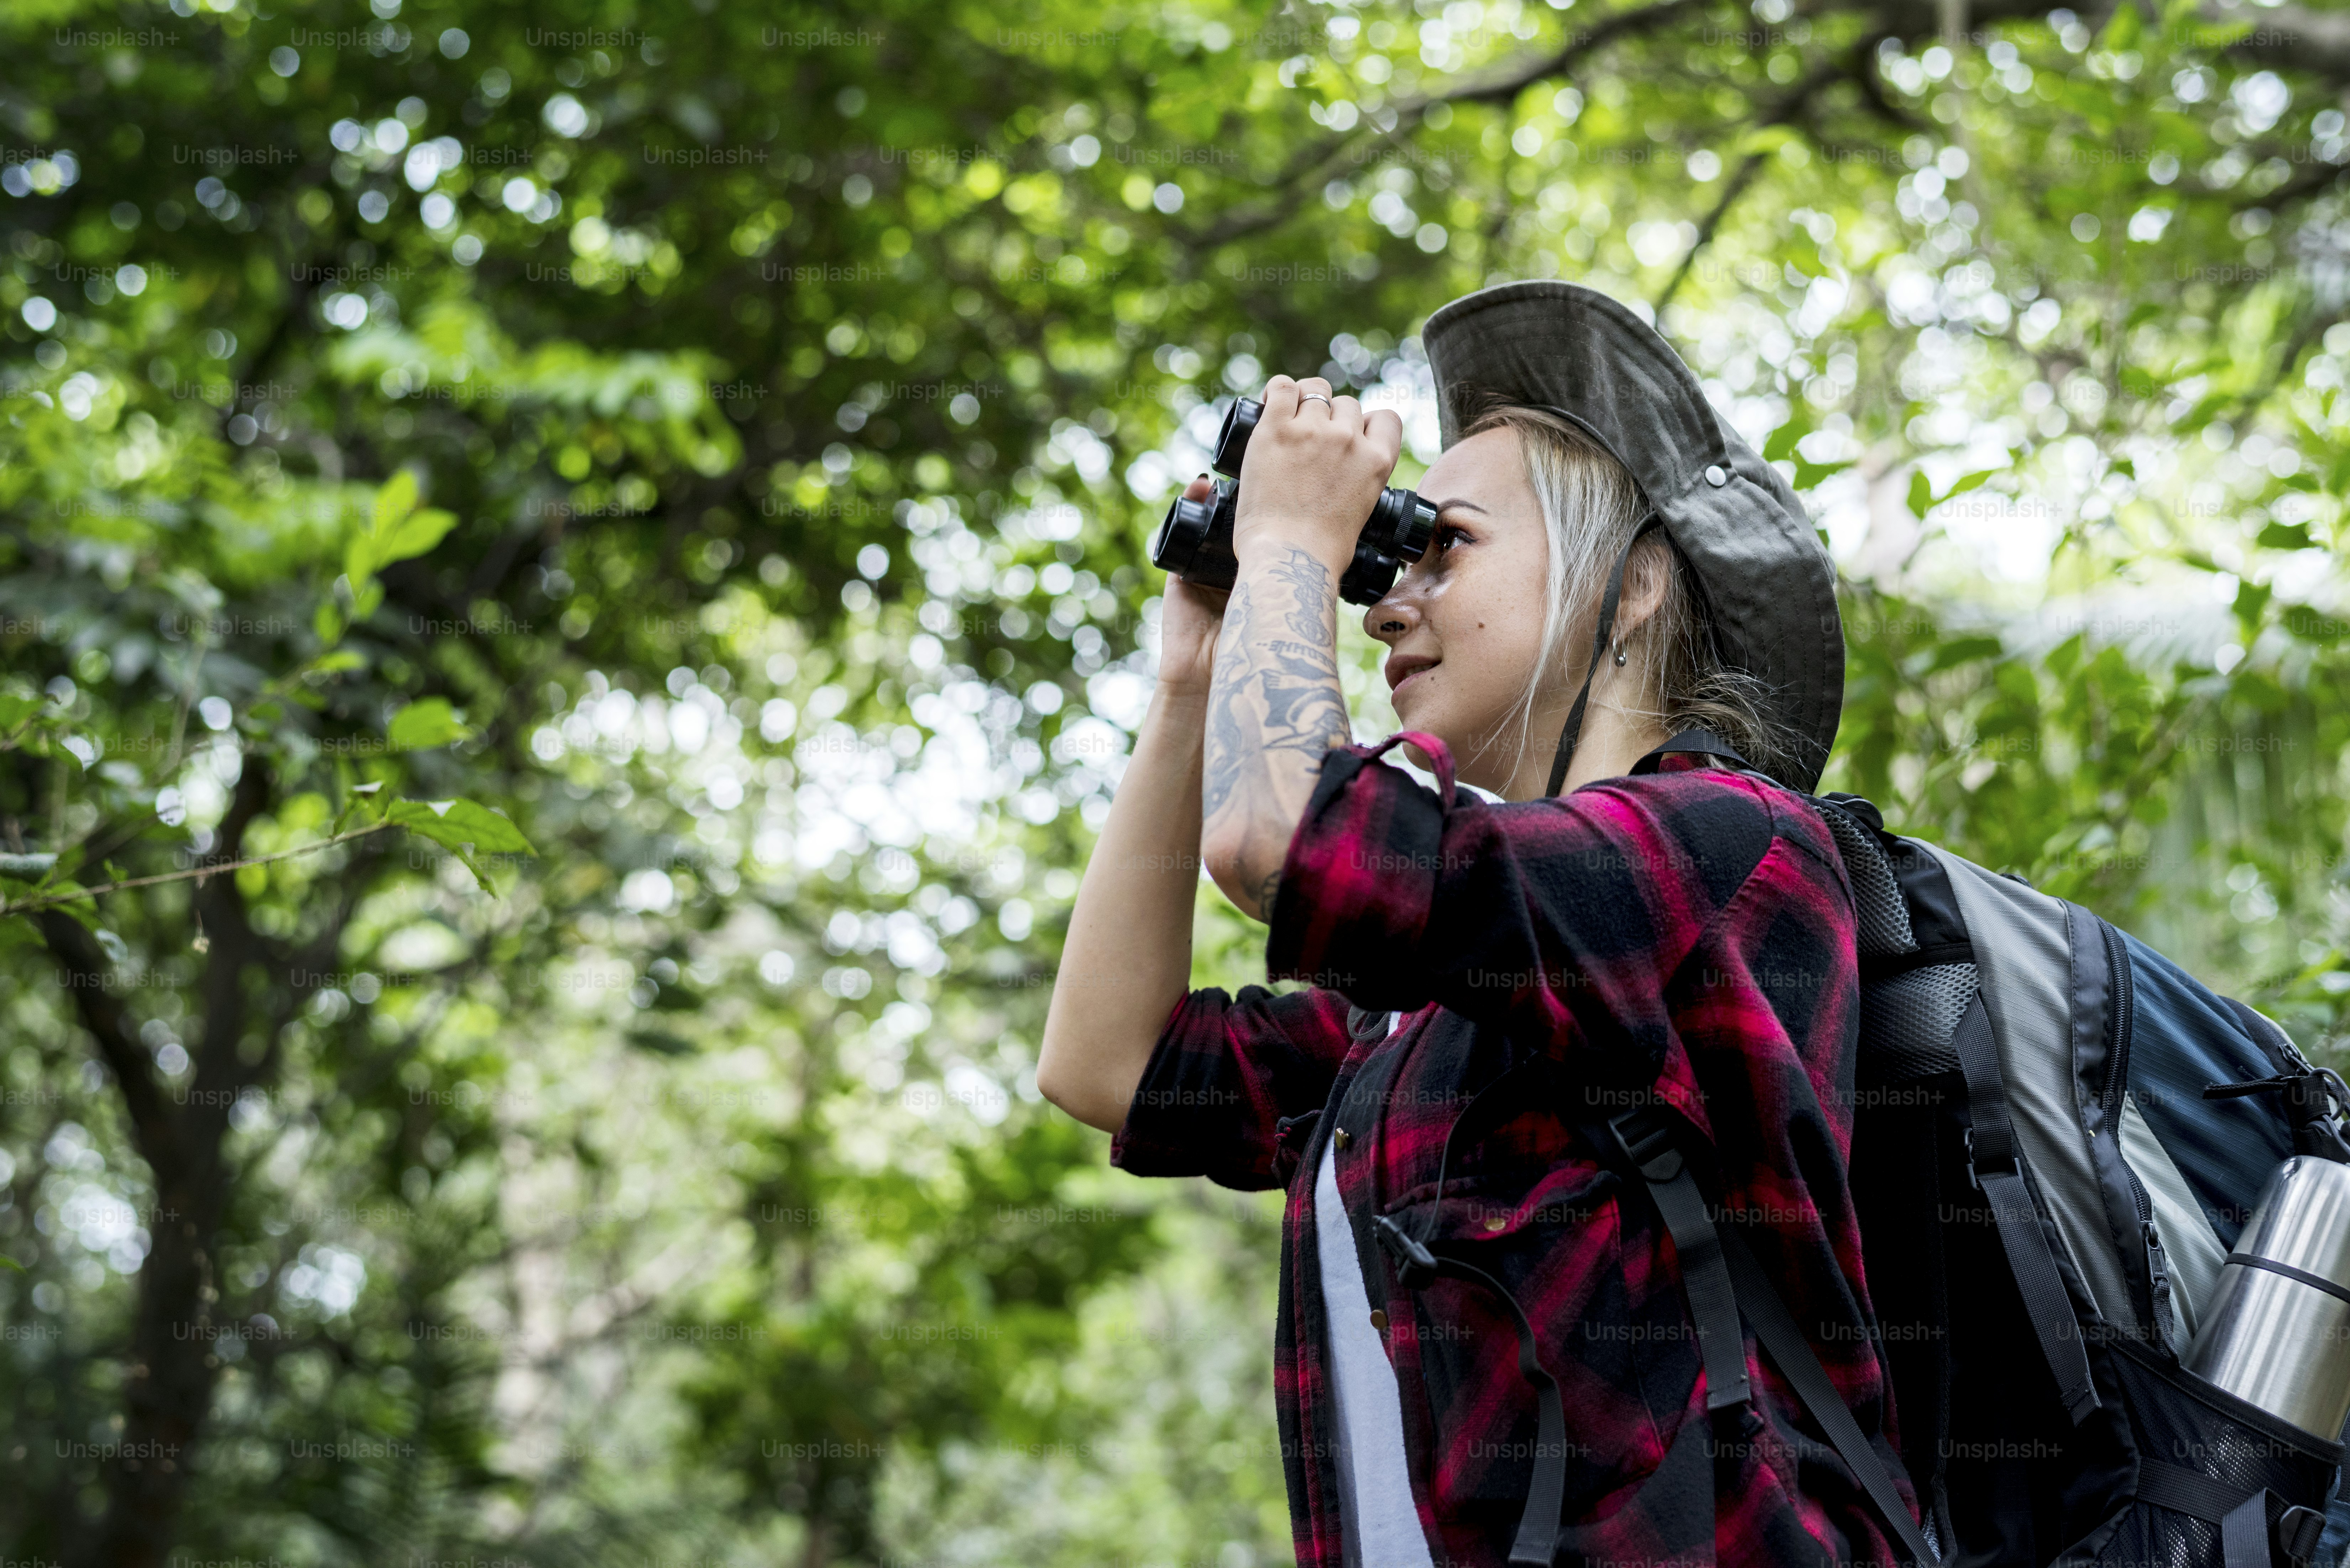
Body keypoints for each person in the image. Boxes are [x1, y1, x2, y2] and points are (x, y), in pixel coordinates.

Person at [1037, 281, 1916, 1568]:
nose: (1386, 600)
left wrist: (1292, 542)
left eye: (1442, 546)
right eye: (1388, 561)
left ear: (1633, 593)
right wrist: (1195, 677)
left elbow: (1274, 841)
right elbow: (1109, 1065)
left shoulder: (1729, 845)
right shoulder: (1430, 1018)